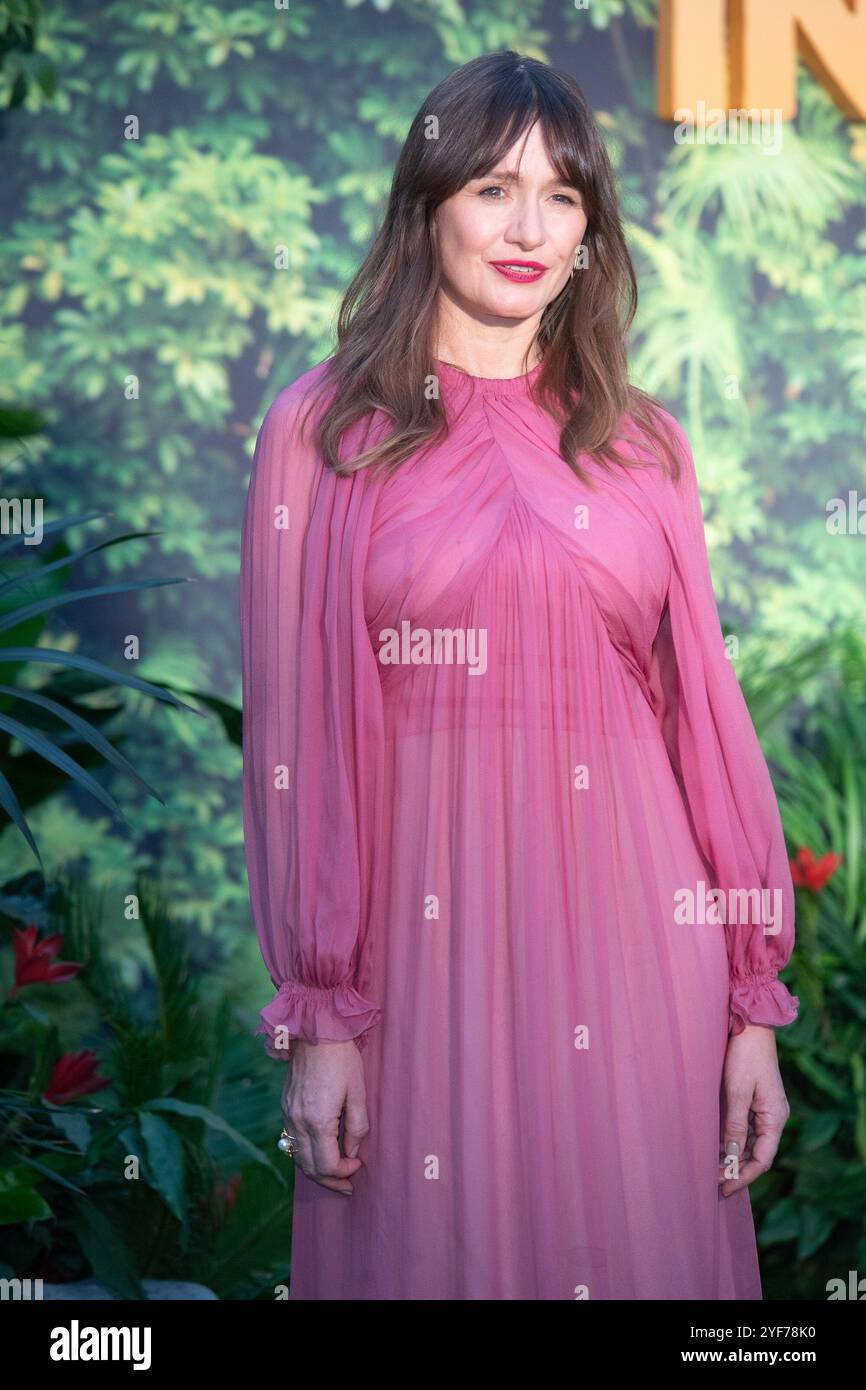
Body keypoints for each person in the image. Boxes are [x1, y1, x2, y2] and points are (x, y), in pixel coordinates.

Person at [239, 50, 799, 1300]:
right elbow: (299, 743)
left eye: (562, 196)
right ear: (426, 201)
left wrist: (750, 1004)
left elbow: (700, 724)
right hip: (418, 974)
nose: (528, 227)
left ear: (592, 227)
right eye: (493, 188)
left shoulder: (643, 443)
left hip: (641, 954)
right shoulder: (323, 434)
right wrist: (323, 1012)